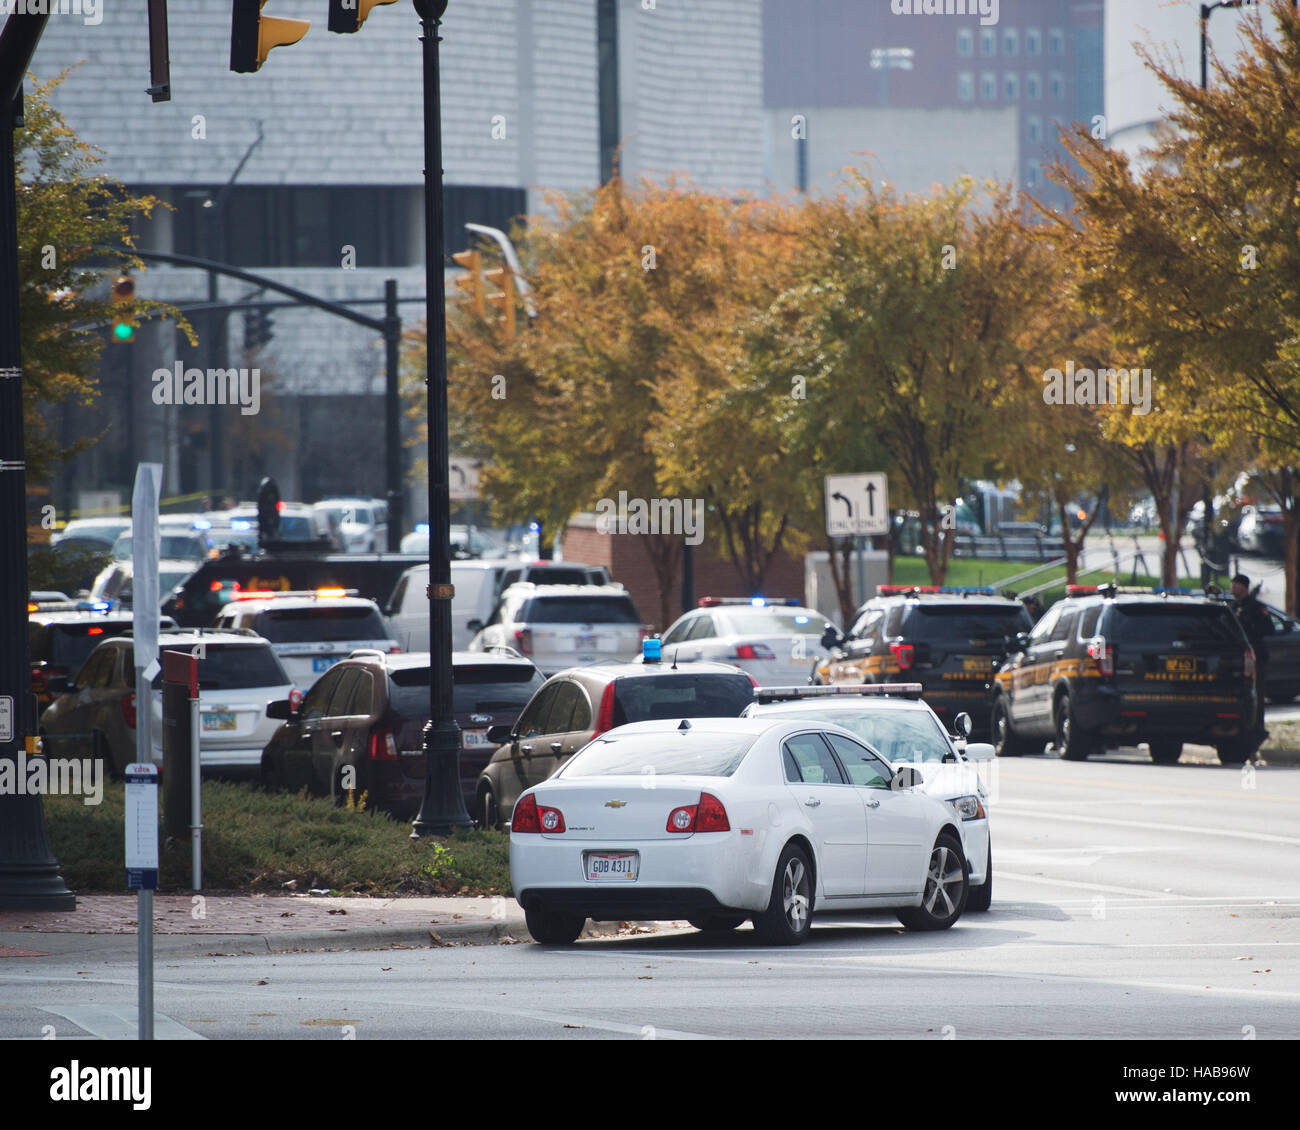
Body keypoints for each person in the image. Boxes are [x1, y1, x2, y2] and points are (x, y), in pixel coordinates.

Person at [1230, 573, 1272, 747]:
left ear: (1244, 588)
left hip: (1255, 659)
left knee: (1256, 696)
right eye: (1232, 585)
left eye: (1237, 585)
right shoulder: (1231, 607)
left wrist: (1251, 624)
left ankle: (1257, 731)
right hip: (1236, 660)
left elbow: (1269, 629)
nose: (1233, 588)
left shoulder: (1256, 608)